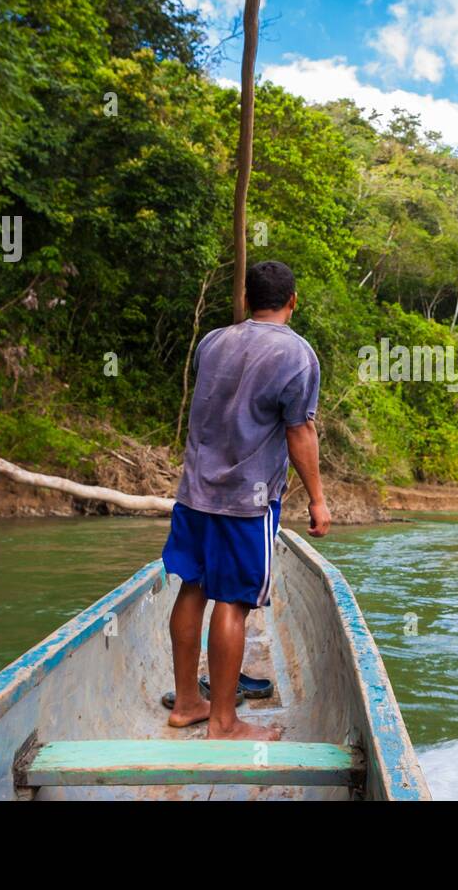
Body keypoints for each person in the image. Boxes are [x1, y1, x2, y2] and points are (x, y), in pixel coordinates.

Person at [162, 261, 331, 740]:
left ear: (246, 299)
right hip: (245, 501)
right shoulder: (297, 355)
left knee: (192, 588)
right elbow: (300, 430)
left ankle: (187, 704)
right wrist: (318, 499)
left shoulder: (212, 342)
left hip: (195, 493)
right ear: (292, 301)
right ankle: (224, 721)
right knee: (233, 603)